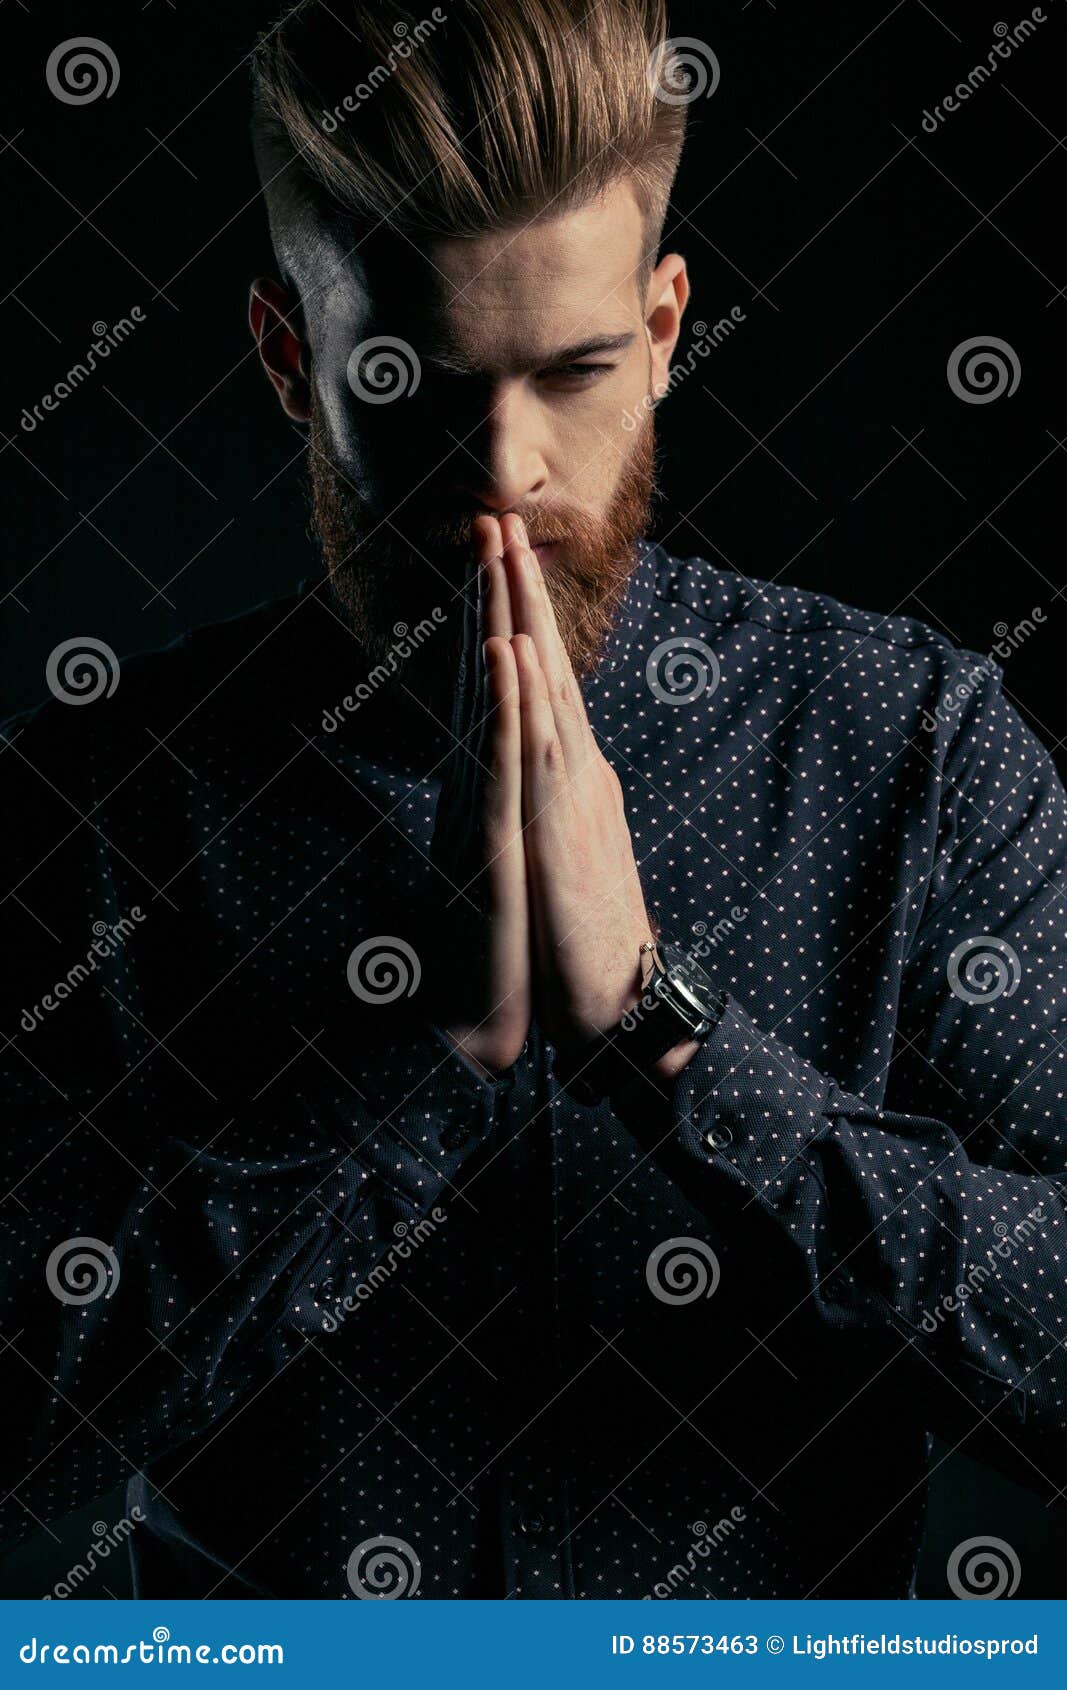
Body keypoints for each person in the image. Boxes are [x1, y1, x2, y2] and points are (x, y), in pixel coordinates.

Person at [1, 0, 1064, 1600]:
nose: (505, 465)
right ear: (293, 359)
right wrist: (423, 1065)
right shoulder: (103, 800)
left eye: (573, 371)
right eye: (414, 379)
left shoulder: (909, 747)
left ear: (663, 328)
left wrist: (672, 1037)